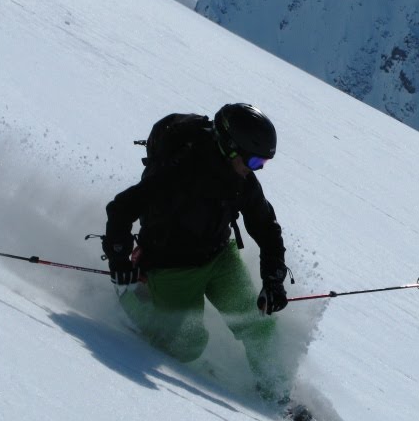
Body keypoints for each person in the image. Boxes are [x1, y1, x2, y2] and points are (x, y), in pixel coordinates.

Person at [102, 103, 292, 404]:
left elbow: (266, 227)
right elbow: (122, 208)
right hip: (171, 266)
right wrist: (119, 260)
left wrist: (273, 280)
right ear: (231, 148)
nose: (258, 169)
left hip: (219, 257)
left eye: (262, 163)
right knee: (189, 344)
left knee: (258, 327)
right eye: (255, 161)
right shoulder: (181, 171)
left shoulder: (242, 180)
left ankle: (277, 395)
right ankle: (130, 296)